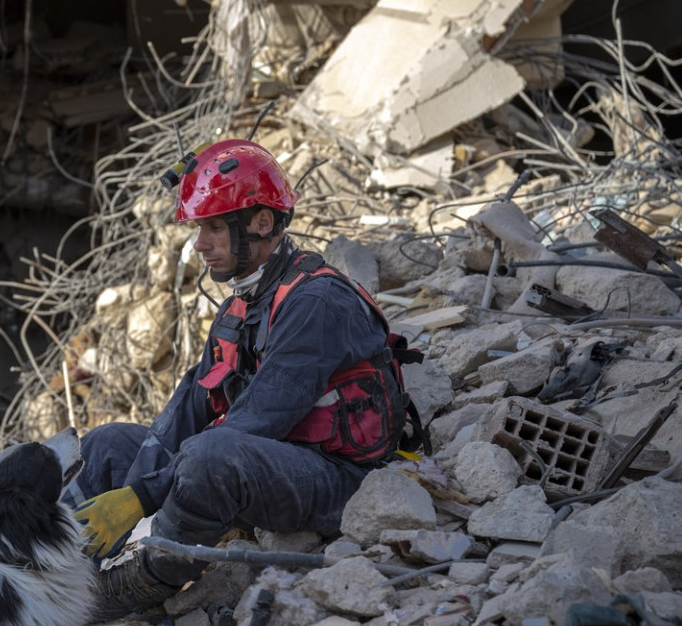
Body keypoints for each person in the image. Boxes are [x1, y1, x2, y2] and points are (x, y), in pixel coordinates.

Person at [65, 139, 422, 622]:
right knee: (106, 444)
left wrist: (143, 498)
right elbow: (190, 405)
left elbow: (255, 423)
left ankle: (142, 581)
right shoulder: (241, 305)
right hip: (269, 465)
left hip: (339, 480)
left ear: (260, 222)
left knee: (209, 456)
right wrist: (132, 491)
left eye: (213, 228)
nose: (199, 244)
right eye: (199, 229)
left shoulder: (315, 302)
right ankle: (51, 569)